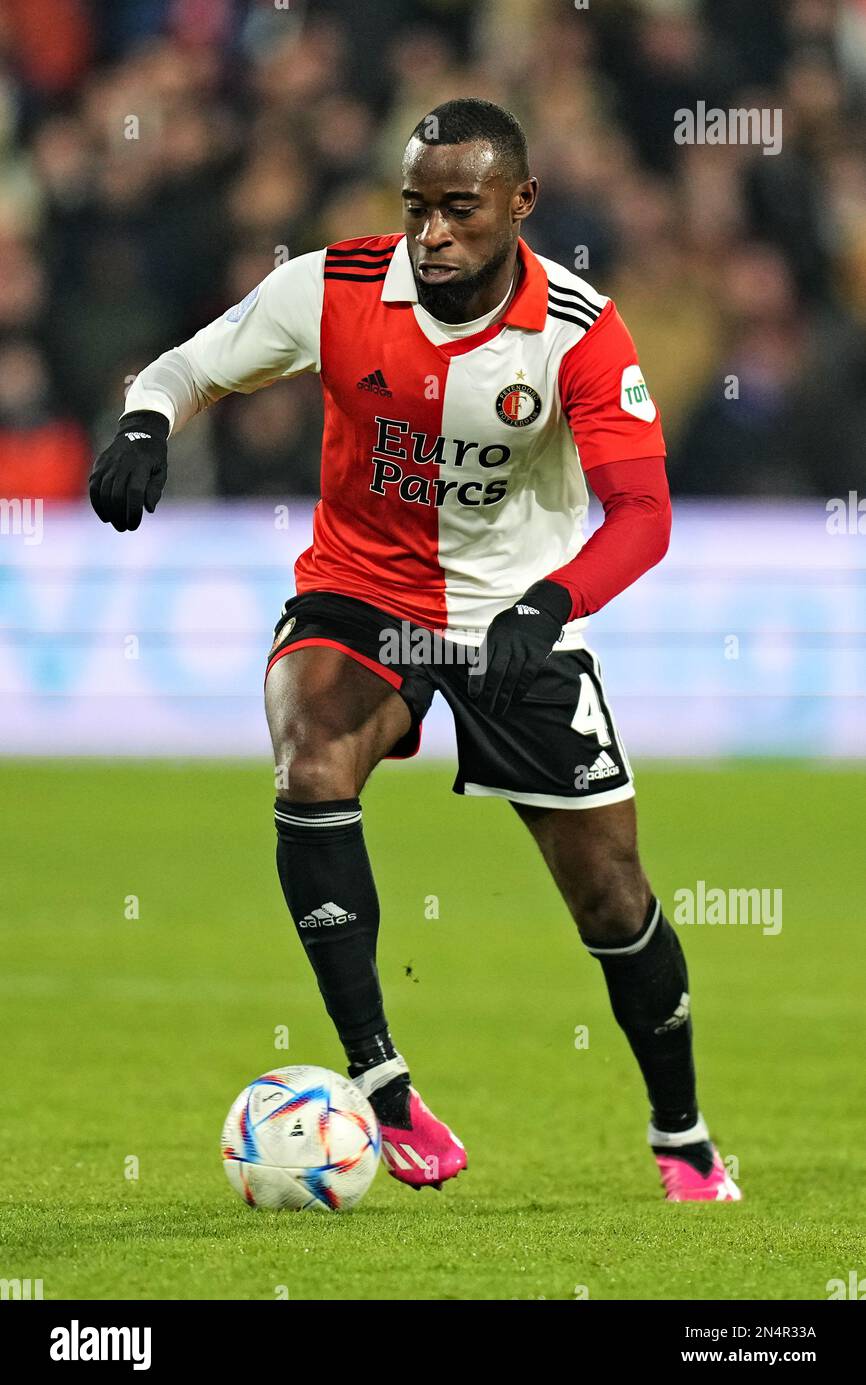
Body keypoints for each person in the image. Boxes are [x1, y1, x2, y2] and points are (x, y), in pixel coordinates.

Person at [89, 98, 740, 1202]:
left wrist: (550, 602)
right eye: (416, 207)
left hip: (510, 617)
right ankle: (380, 1083)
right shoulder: (333, 289)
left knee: (609, 894)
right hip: (360, 595)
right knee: (310, 762)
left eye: (458, 209)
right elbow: (183, 368)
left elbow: (642, 514)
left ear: (521, 204)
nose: (431, 233)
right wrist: (146, 424)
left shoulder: (577, 329)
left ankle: (680, 1135)